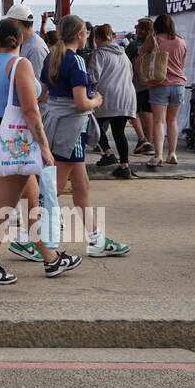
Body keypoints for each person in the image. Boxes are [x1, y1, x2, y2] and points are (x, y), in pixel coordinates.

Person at [0, 18, 82, 284]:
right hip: (16, 140)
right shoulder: (20, 64)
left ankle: (51, 258)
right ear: (20, 38)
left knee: (32, 204)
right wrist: (44, 146)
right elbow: (30, 110)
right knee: (1, 208)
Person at [41, 15, 131, 258]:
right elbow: (81, 103)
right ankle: (32, 239)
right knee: (54, 188)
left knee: (80, 185)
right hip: (72, 128)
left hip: (56, 123)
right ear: (80, 35)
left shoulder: (52, 56)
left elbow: (43, 93)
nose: (88, 37)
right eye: (86, 33)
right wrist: (97, 101)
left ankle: (96, 238)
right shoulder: (77, 61)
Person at [90, 24, 138, 179]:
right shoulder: (122, 54)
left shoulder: (99, 54)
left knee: (92, 126)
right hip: (126, 95)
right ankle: (125, 166)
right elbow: (130, 74)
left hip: (106, 96)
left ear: (97, 38)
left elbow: (93, 76)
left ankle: (108, 152)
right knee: (119, 132)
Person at [141, 14, 188, 168]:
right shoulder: (181, 41)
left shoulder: (153, 40)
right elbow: (182, 63)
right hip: (179, 84)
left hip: (159, 84)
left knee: (159, 121)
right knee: (172, 120)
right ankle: (172, 153)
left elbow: (142, 56)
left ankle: (158, 155)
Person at [126, 18, 155, 154]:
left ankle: (142, 139)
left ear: (142, 29)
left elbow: (125, 62)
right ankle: (150, 141)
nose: (135, 29)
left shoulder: (134, 45)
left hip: (136, 84)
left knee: (133, 112)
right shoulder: (155, 43)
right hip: (152, 83)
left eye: (137, 27)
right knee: (148, 112)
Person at [4, 3, 49, 77]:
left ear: (17, 23)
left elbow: (37, 85)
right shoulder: (26, 43)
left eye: (9, 23)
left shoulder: (36, 50)